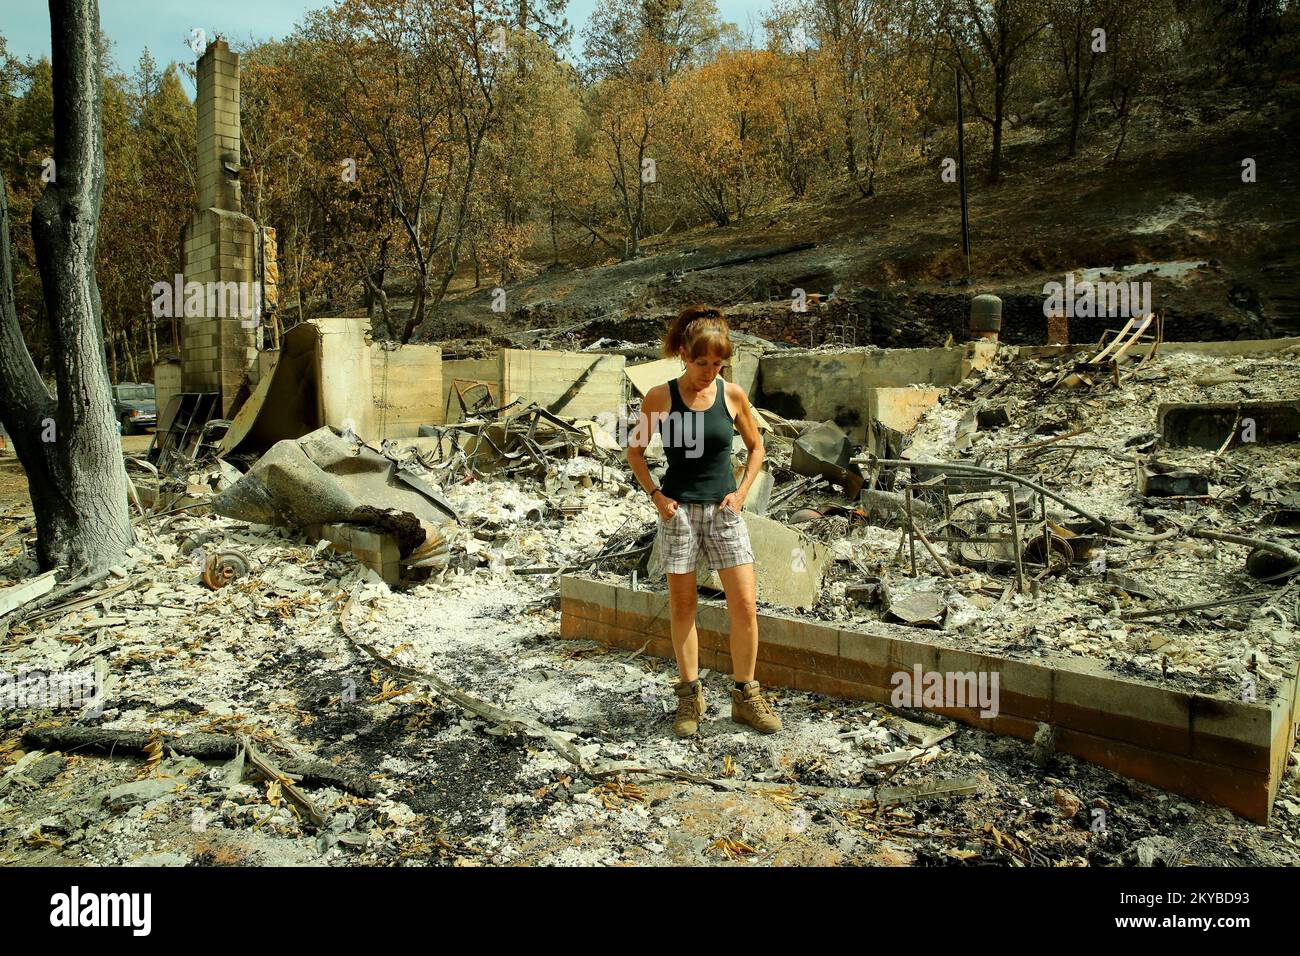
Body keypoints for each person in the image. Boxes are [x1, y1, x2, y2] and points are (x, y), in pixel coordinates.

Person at [626, 305, 782, 738]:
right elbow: (634, 453)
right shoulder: (660, 397)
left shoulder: (733, 396)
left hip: (724, 512)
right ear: (683, 355)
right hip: (679, 515)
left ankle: (745, 696)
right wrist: (656, 496)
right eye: (702, 363)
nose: (710, 371)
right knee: (683, 607)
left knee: (745, 606)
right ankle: (690, 695)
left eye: (717, 364)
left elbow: (756, 449)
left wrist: (742, 492)